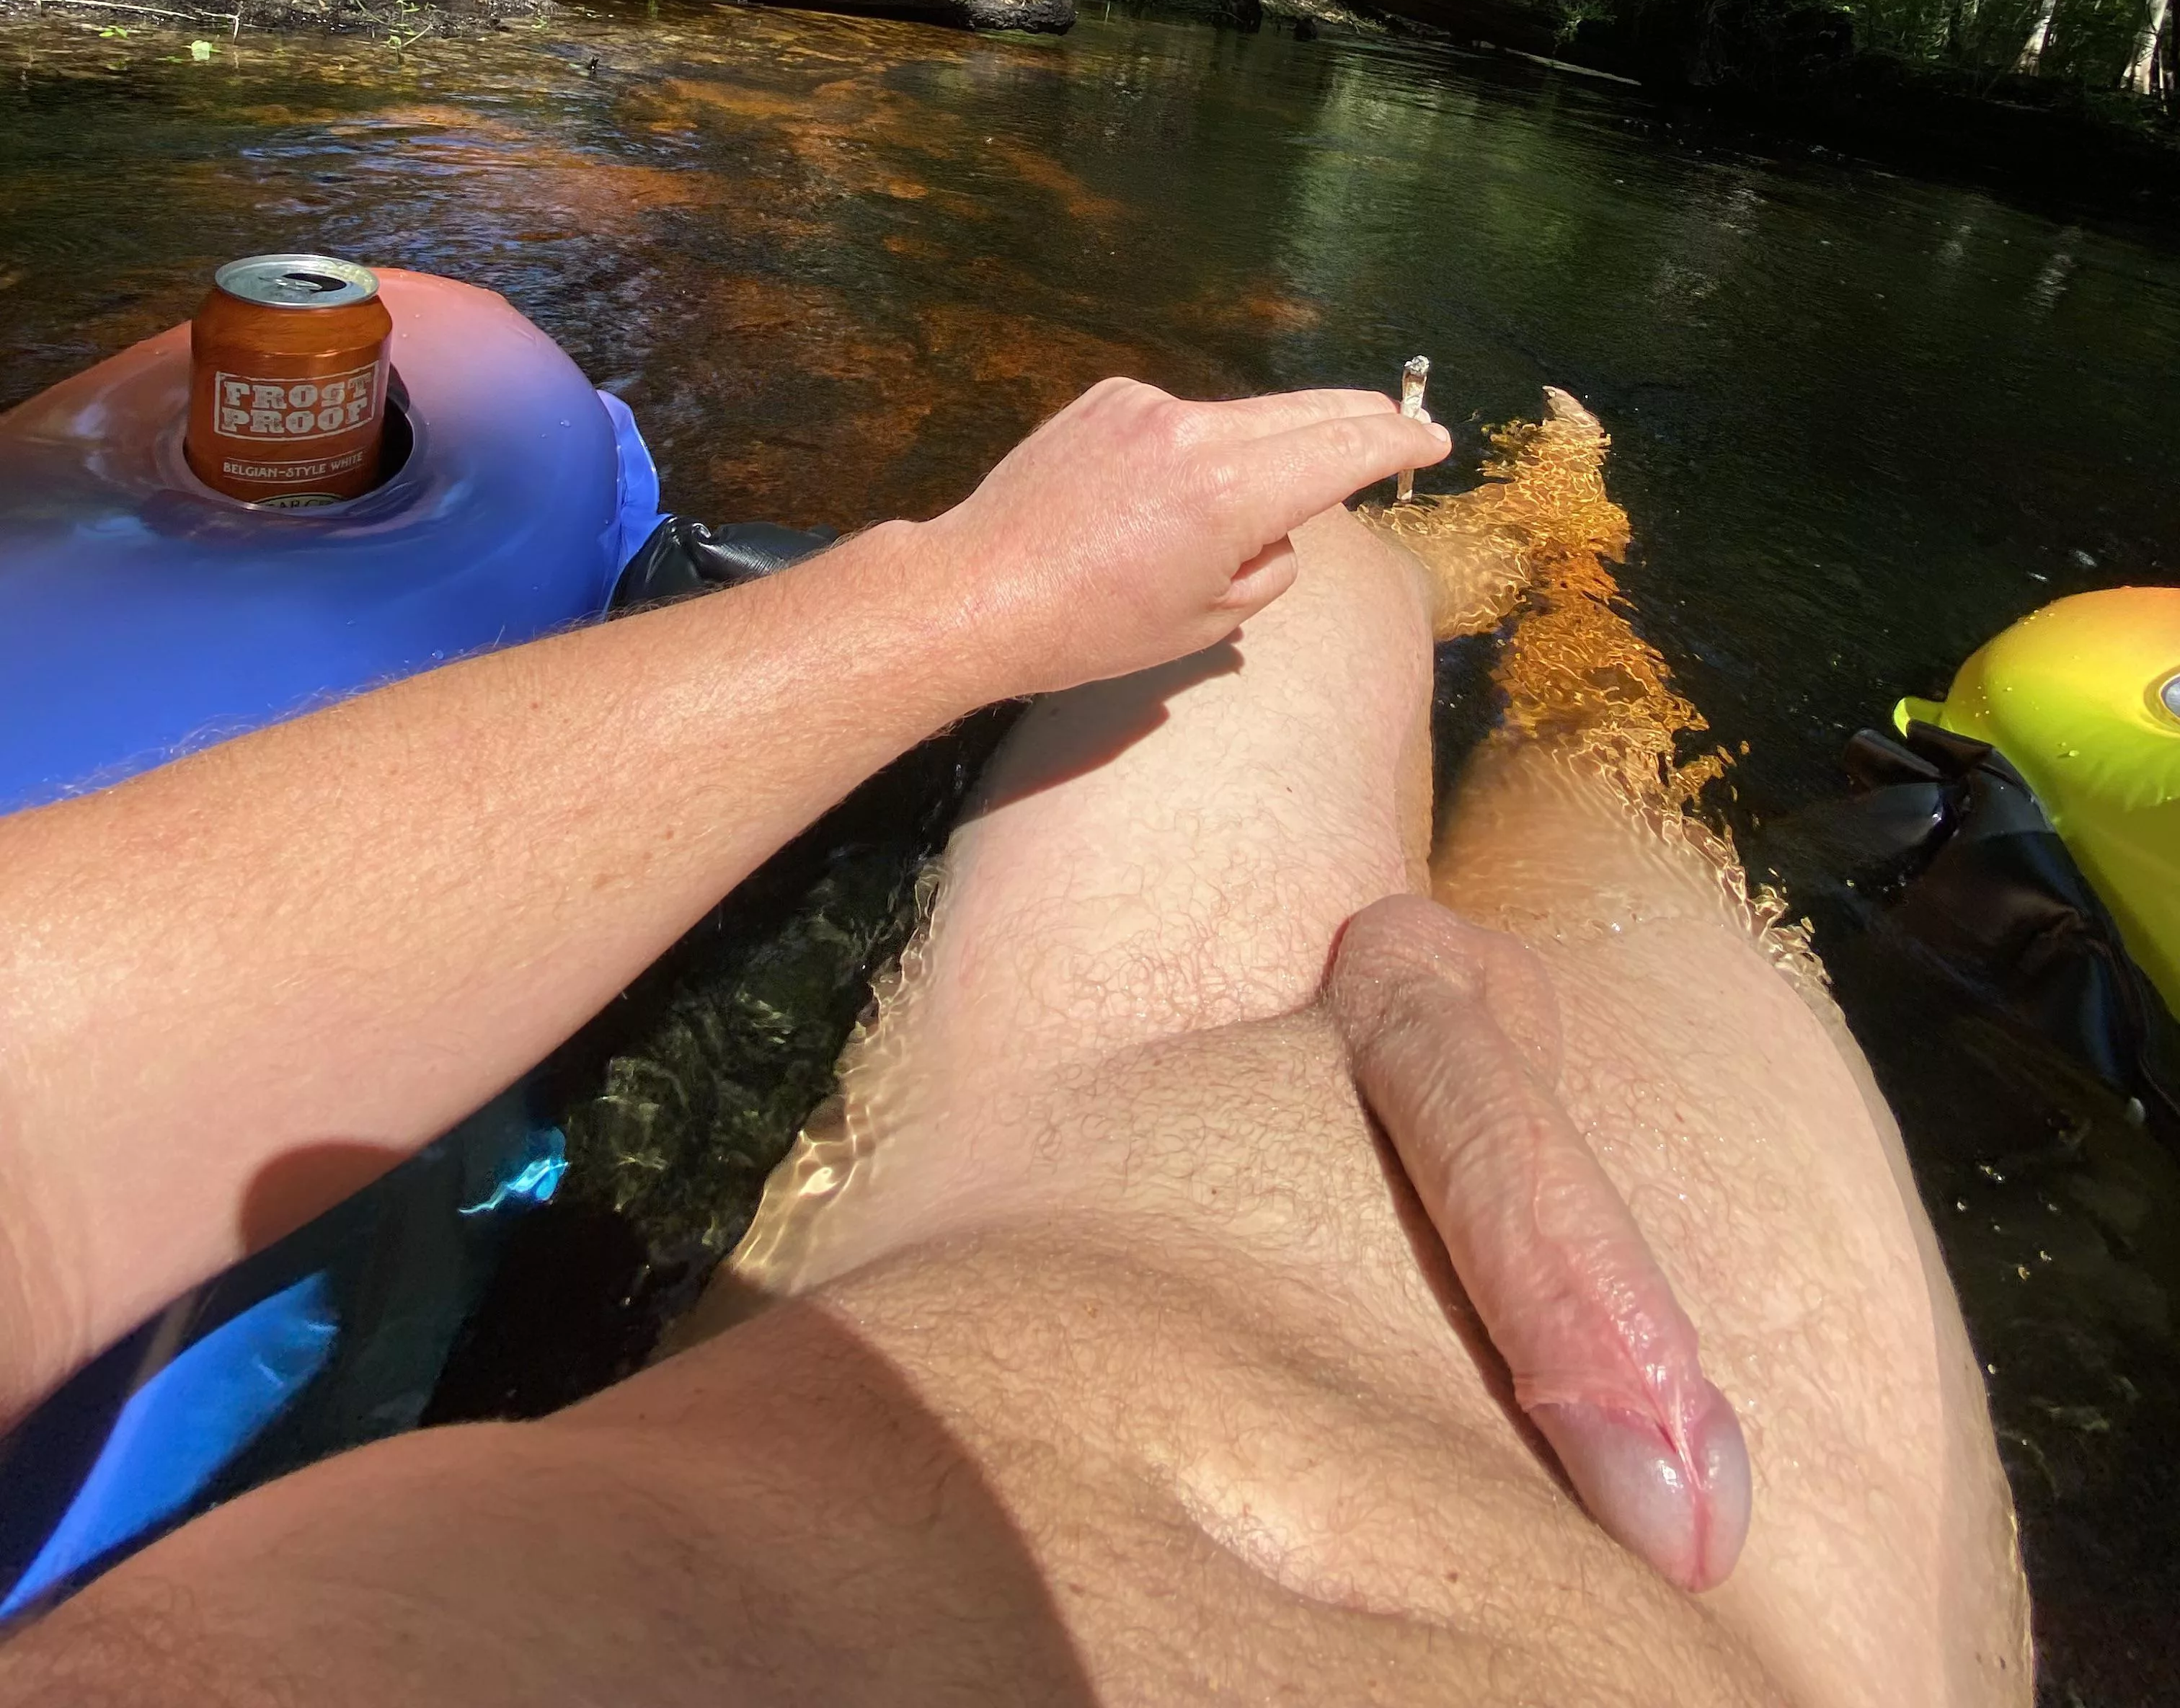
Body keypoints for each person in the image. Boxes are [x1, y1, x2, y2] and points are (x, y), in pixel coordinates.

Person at [0, 379, 2028, 1704]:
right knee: (1611, 779)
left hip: (1068, 1166)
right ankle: (1574, 566)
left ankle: (1504, 540)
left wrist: (974, 598)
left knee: (1305, 570)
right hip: (1753, 1561)